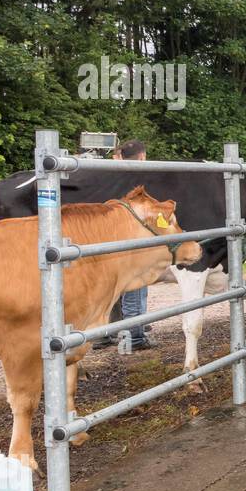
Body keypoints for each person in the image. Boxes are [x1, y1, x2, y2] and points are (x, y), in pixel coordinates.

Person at [98, 139, 155, 351]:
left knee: (108, 289)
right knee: (134, 286)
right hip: (131, 238)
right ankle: (134, 338)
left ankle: (102, 335)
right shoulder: (144, 178)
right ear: (142, 156)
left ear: (120, 156)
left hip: (106, 237)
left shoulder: (108, 173)